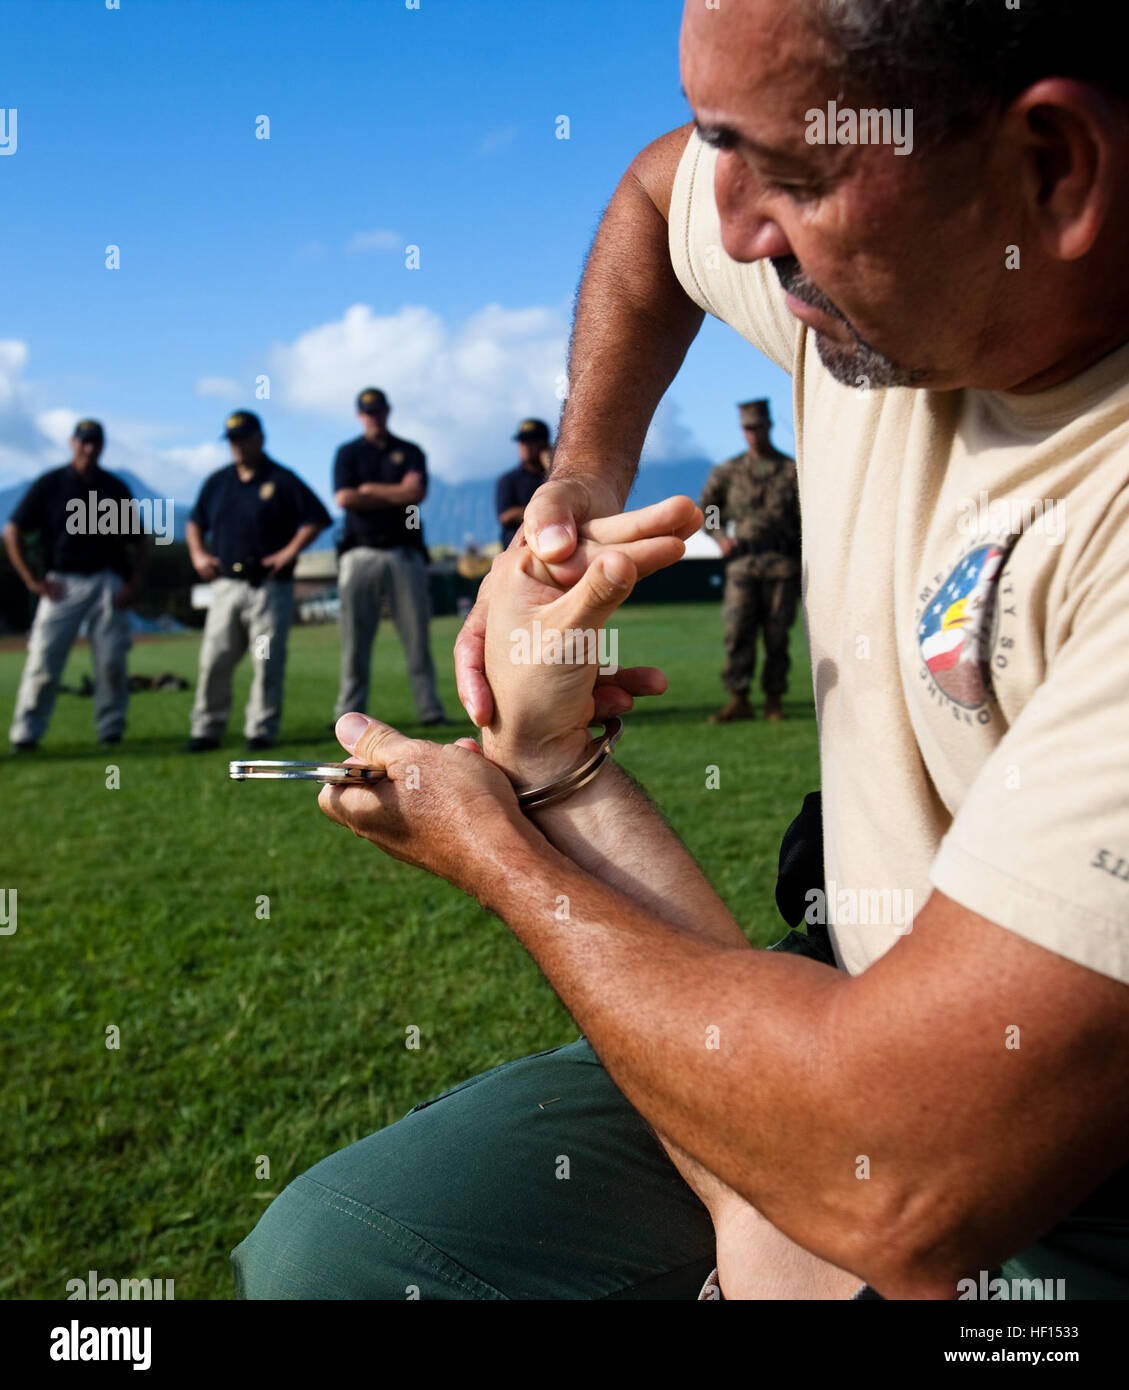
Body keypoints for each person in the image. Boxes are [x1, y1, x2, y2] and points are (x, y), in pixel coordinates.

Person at [234, 0, 1129, 1301]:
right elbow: (655, 199)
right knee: (346, 1250)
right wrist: (582, 476)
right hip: (855, 1029)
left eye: (792, 175)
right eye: (726, 139)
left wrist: (496, 853)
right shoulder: (877, 290)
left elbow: (900, 1177)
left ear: (1051, 169)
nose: (740, 228)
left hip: (1042, 1164)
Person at [185, 410, 330, 752]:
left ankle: (261, 729)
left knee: (265, 661)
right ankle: (206, 729)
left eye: (243, 439)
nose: (236, 446)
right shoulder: (218, 482)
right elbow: (195, 522)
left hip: (268, 587)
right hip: (225, 586)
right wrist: (197, 554)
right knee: (214, 659)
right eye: (231, 440)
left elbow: (316, 518)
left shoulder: (281, 479)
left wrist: (288, 552)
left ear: (259, 439)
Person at [5, 419, 144, 751]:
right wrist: (31, 579)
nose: (89, 448)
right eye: (84, 441)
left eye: (95, 442)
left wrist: (133, 582)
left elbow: (139, 540)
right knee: (43, 659)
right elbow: (13, 530)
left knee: (111, 661)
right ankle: (26, 733)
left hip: (108, 580)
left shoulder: (114, 487)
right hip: (62, 583)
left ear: (102, 446)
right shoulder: (51, 485)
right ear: (72, 443)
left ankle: (111, 730)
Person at [332, 388, 447, 728]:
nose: (374, 417)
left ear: (388, 411)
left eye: (378, 410)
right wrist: (394, 493)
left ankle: (430, 711)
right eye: (368, 412)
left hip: (404, 552)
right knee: (354, 640)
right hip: (360, 551)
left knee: (417, 638)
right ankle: (347, 715)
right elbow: (344, 498)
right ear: (359, 415)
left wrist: (369, 490)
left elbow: (415, 494)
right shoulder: (348, 453)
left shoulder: (409, 451)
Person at [700, 398, 800, 721]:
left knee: (777, 636)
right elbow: (707, 510)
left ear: (769, 426)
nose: (753, 434)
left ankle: (774, 700)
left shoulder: (790, 471)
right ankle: (738, 699)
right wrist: (719, 537)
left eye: (757, 427)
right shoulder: (727, 471)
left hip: (781, 566)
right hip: (742, 566)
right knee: (738, 632)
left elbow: (807, 519)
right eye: (747, 428)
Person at [495, 418, 552, 550]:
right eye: (522, 442)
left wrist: (551, 465)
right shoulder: (508, 480)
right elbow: (506, 516)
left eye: (530, 442)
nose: (524, 446)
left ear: (544, 445)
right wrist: (545, 511)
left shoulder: (552, 476)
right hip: (516, 550)